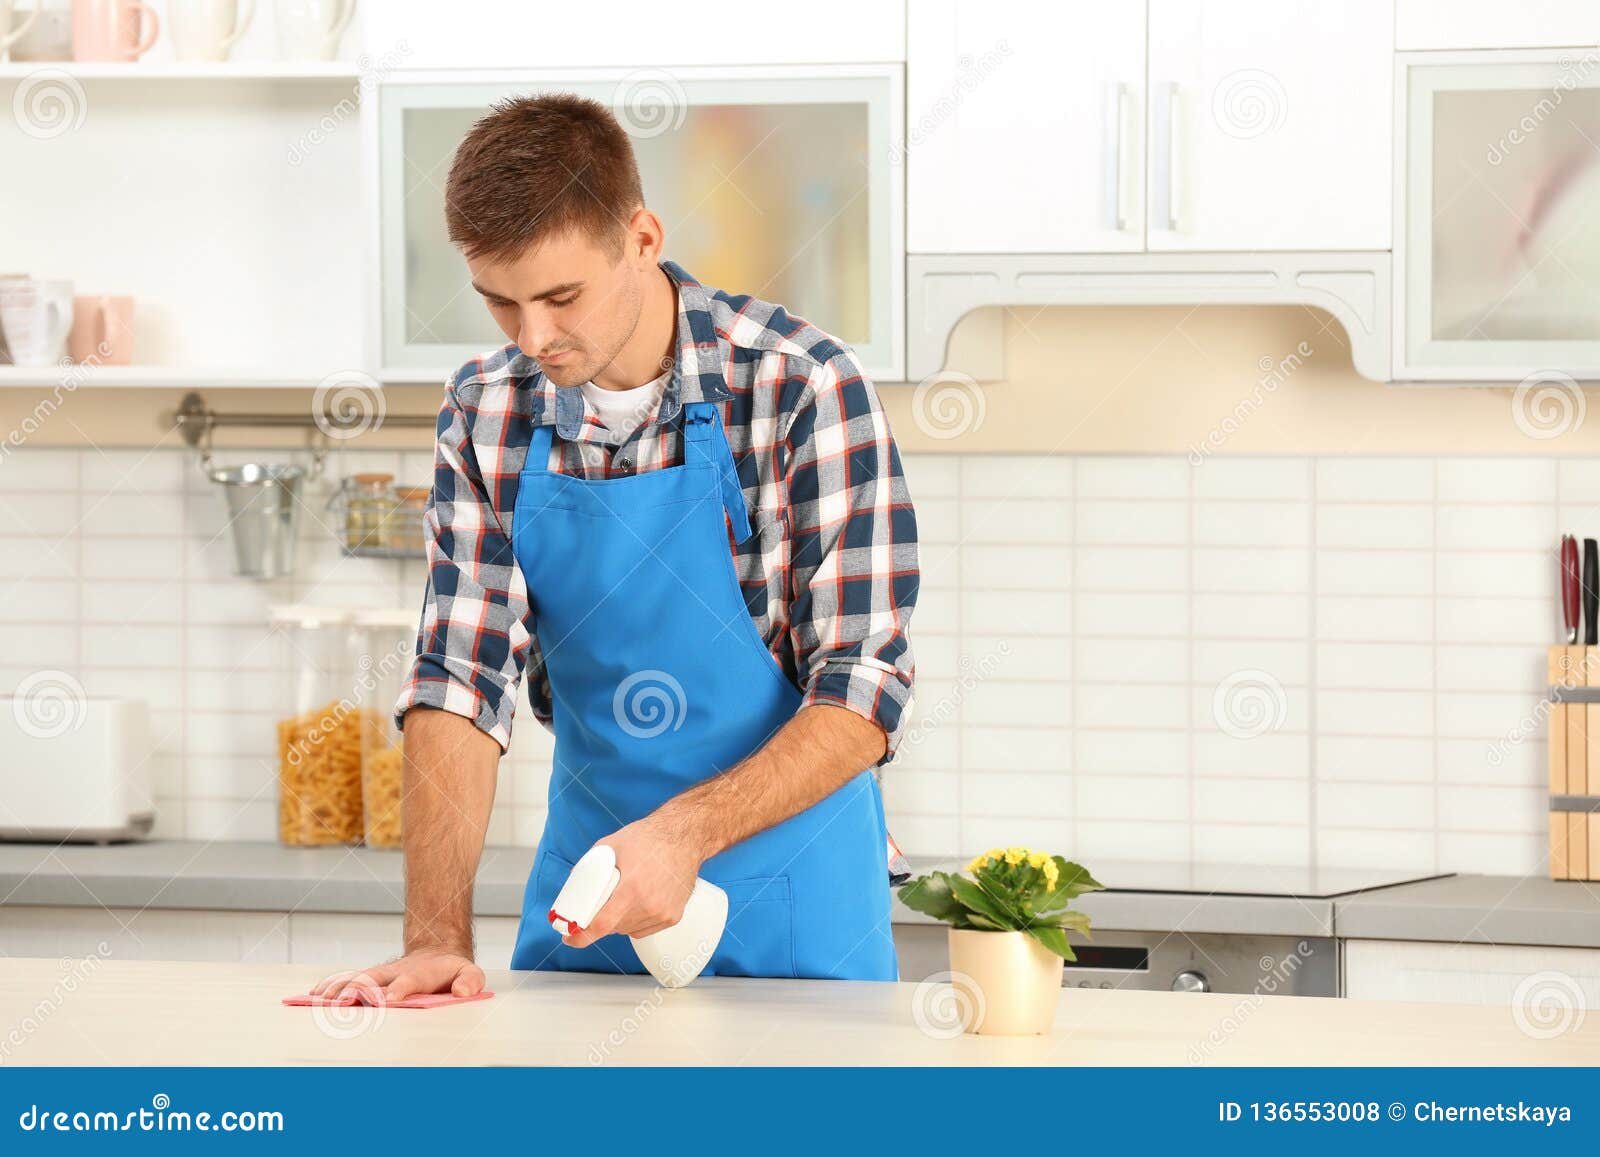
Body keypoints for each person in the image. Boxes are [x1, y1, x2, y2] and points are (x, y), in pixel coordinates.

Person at [316, 92, 918, 1002]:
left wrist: (681, 835)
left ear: (641, 238)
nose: (534, 338)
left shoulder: (801, 386)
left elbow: (863, 689)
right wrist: (435, 936)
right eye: (500, 302)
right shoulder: (487, 410)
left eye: (561, 297)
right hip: (592, 909)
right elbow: (459, 679)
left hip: (800, 914)